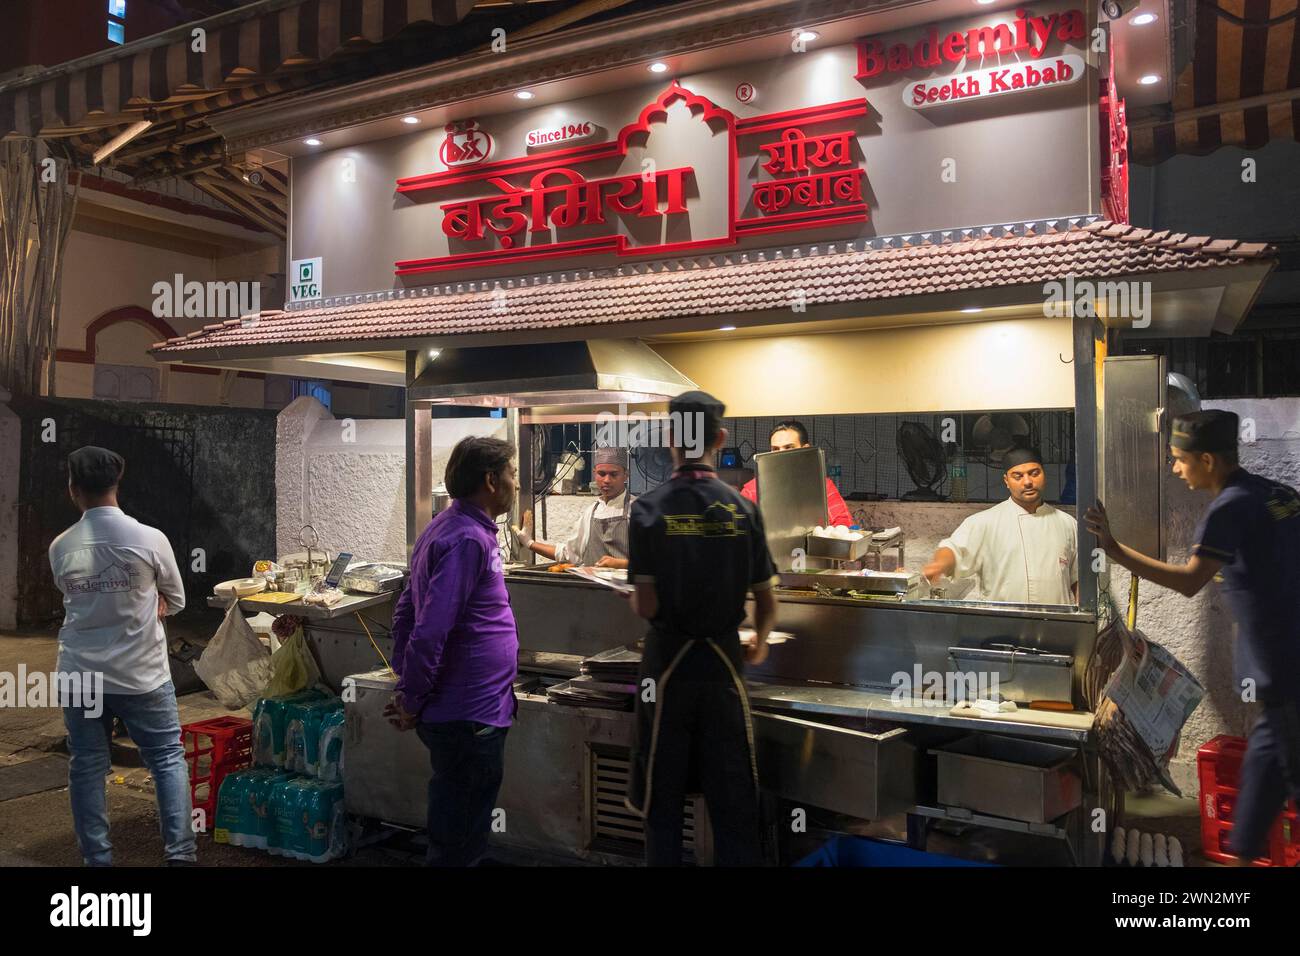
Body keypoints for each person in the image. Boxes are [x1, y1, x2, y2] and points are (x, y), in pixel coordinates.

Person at [1085, 410, 1300, 865]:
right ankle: (1243, 854)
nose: (1175, 468)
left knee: (1282, 756)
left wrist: (1114, 548)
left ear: (1206, 458)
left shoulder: (1228, 508)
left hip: (1285, 663)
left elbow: (1189, 581)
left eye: (1180, 459)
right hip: (1279, 669)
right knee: (1269, 757)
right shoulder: (1278, 495)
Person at [626, 390, 779, 866]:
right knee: (733, 795)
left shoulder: (648, 509)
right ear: (720, 438)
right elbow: (767, 602)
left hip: (665, 668)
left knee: (662, 795)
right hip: (722, 666)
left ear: (671, 437)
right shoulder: (743, 509)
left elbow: (644, 602)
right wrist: (754, 645)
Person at [49, 445, 193, 867]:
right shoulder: (150, 539)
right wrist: (151, 600)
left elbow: (73, 595)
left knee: (88, 763)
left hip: (79, 673)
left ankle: (97, 860)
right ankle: (180, 856)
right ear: (117, 483)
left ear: (73, 489)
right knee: (166, 758)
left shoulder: (61, 546)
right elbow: (178, 599)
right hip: (141, 673)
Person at [386, 436, 520, 867]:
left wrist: (407, 685)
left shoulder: (447, 527)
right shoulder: (467, 539)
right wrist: (411, 697)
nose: (516, 483)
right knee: (460, 838)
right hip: (468, 713)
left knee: (458, 827)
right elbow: (428, 630)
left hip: (465, 709)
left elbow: (405, 610)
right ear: (490, 480)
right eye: (513, 473)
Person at [923, 446, 1078, 604]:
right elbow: (953, 549)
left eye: (1034, 473)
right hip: (1003, 625)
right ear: (1007, 481)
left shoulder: (1067, 524)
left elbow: (1078, 578)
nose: (1028, 482)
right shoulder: (985, 522)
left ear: (1044, 474)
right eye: (1018, 476)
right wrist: (939, 564)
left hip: (1055, 625)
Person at [513, 447, 634, 568]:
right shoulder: (591, 512)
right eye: (601, 474)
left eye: (614, 474)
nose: (607, 480)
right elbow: (569, 554)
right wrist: (529, 543)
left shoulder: (637, 510)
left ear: (626, 475)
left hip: (625, 586)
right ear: (594, 474)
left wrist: (621, 564)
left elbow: (652, 564)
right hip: (592, 586)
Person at [740, 420, 852, 527]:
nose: (781, 454)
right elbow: (741, 532)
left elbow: (844, 525)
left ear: (805, 450)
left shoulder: (822, 487)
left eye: (789, 447)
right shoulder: (752, 490)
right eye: (775, 449)